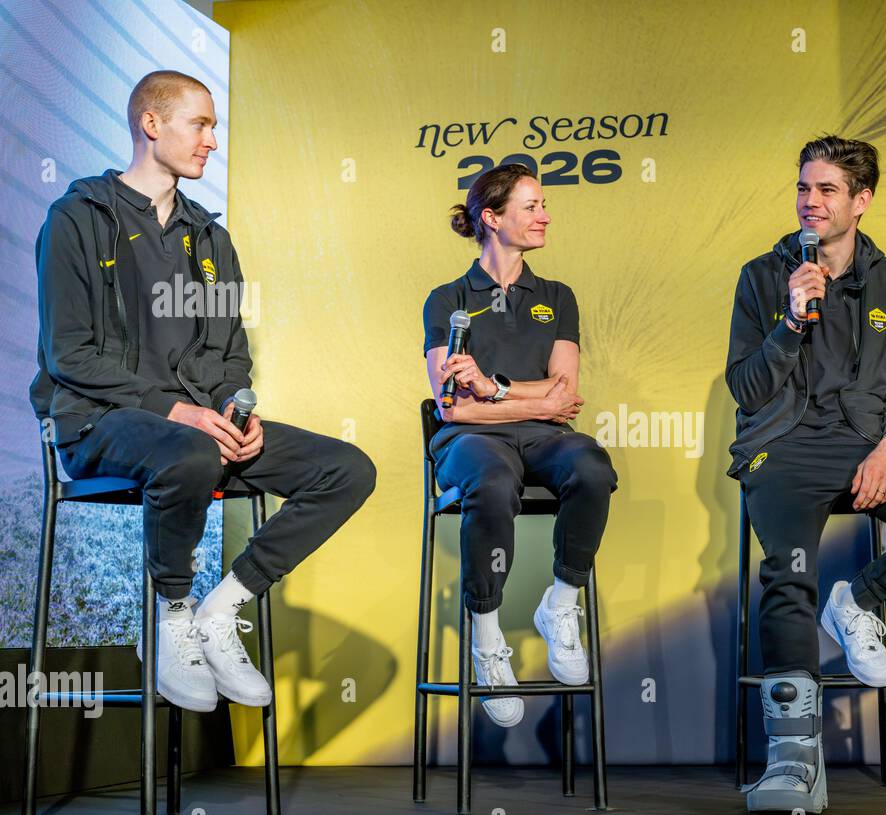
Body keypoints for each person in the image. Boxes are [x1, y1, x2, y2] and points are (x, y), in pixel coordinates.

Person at [29, 70, 376, 713]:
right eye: (201, 124)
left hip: (197, 428)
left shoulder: (210, 239)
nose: (212, 140)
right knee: (187, 453)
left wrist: (234, 408)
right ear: (151, 124)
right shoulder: (76, 219)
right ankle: (172, 615)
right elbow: (68, 355)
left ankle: (221, 610)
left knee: (346, 468)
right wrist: (179, 411)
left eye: (214, 126)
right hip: (100, 423)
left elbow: (229, 355)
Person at [725, 134, 886, 813]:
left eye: (827, 190)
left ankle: (860, 600)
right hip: (783, 448)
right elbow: (748, 389)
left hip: (869, 444)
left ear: (862, 201)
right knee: (787, 573)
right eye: (803, 188)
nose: (809, 202)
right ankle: (791, 759)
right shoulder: (762, 276)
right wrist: (789, 320)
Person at [423, 163, 618, 728]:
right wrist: (516, 400)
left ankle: (560, 604)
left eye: (542, 205)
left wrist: (493, 387)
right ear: (492, 217)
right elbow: (451, 406)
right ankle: (485, 631)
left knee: (592, 468)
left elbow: (567, 393)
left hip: (543, 438)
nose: (544, 215)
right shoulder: (447, 299)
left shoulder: (556, 296)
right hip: (467, 439)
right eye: (531, 206)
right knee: (491, 480)